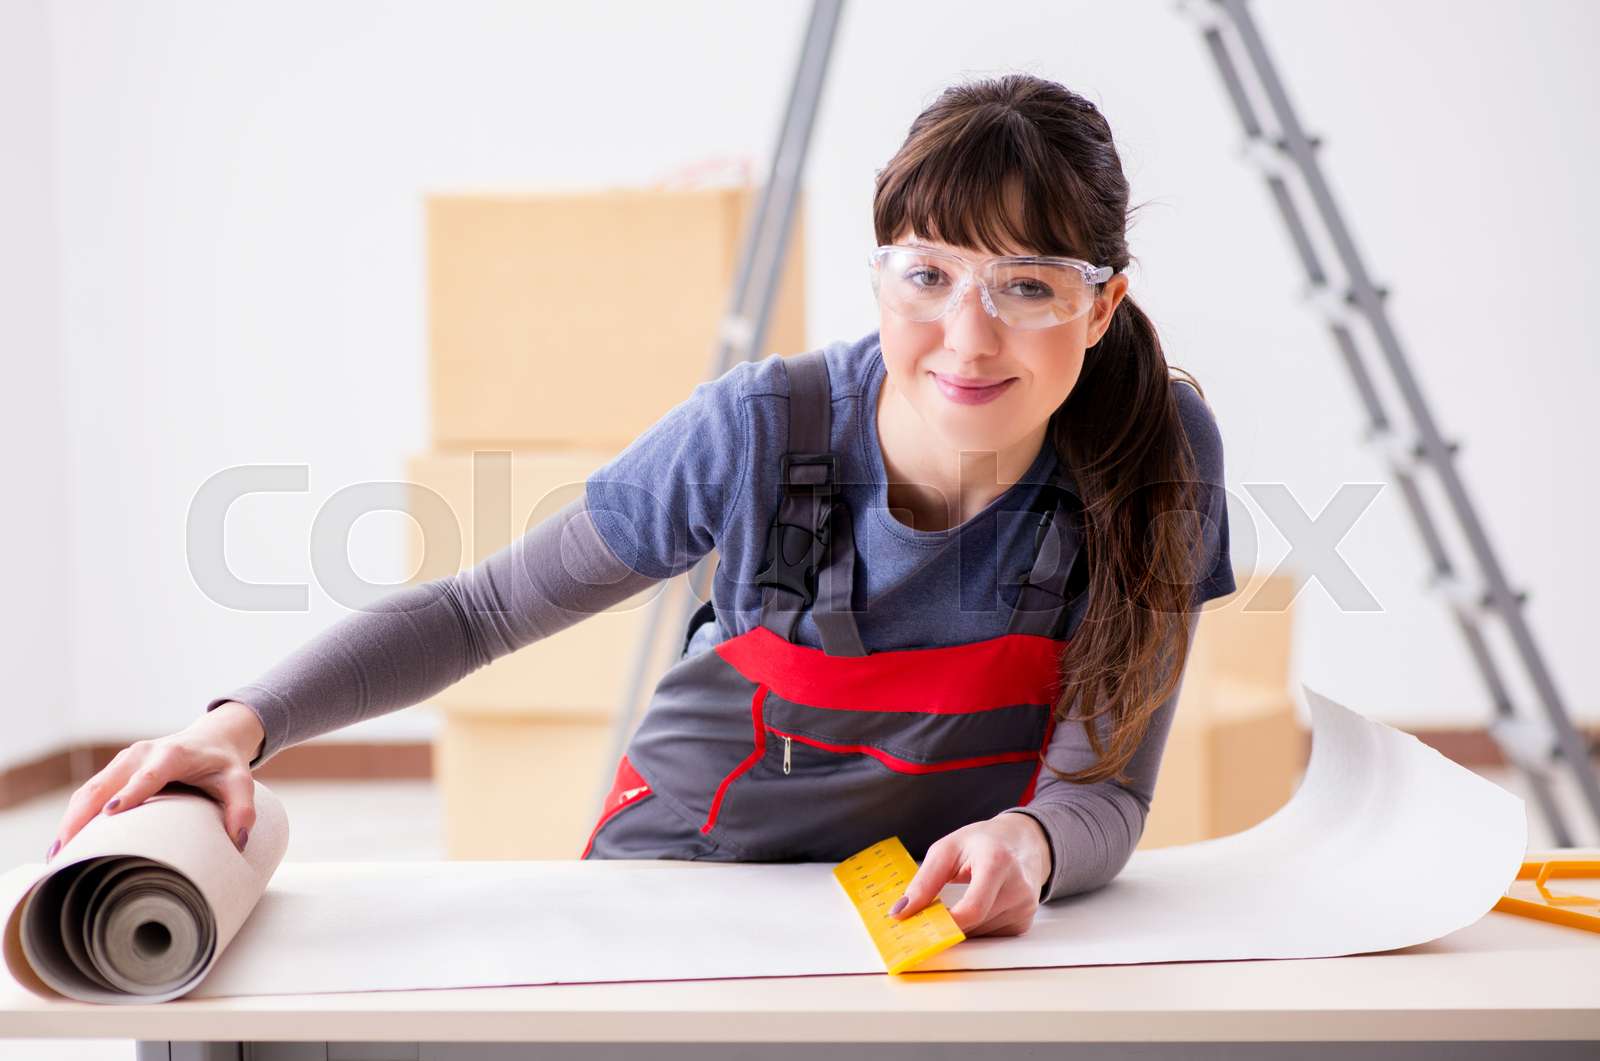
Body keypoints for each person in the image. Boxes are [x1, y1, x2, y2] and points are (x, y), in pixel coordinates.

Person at [47, 73, 1234, 940]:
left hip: (920, 920)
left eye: (1025, 286)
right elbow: (476, 614)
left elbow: (1099, 790)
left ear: (1099, 303)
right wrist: (241, 725)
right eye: (926, 275)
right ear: (881, 276)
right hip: (680, 890)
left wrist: (1026, 844)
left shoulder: (1152, 452)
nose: (966, 338)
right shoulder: (762, 431)